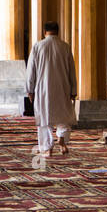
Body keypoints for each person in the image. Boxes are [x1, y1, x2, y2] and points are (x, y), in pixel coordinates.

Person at [25, 21, 77, 156]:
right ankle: (62, 139)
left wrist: (30, 90)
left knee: (44, 118)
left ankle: (47, 148)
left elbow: (31, 71)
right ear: (58, 31)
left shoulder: (38, 46)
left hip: (43, 88)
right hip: (63, 87)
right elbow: (72, 70)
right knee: (63, 115)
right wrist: (73, 90)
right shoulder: (65, 47)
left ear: (44, 32)